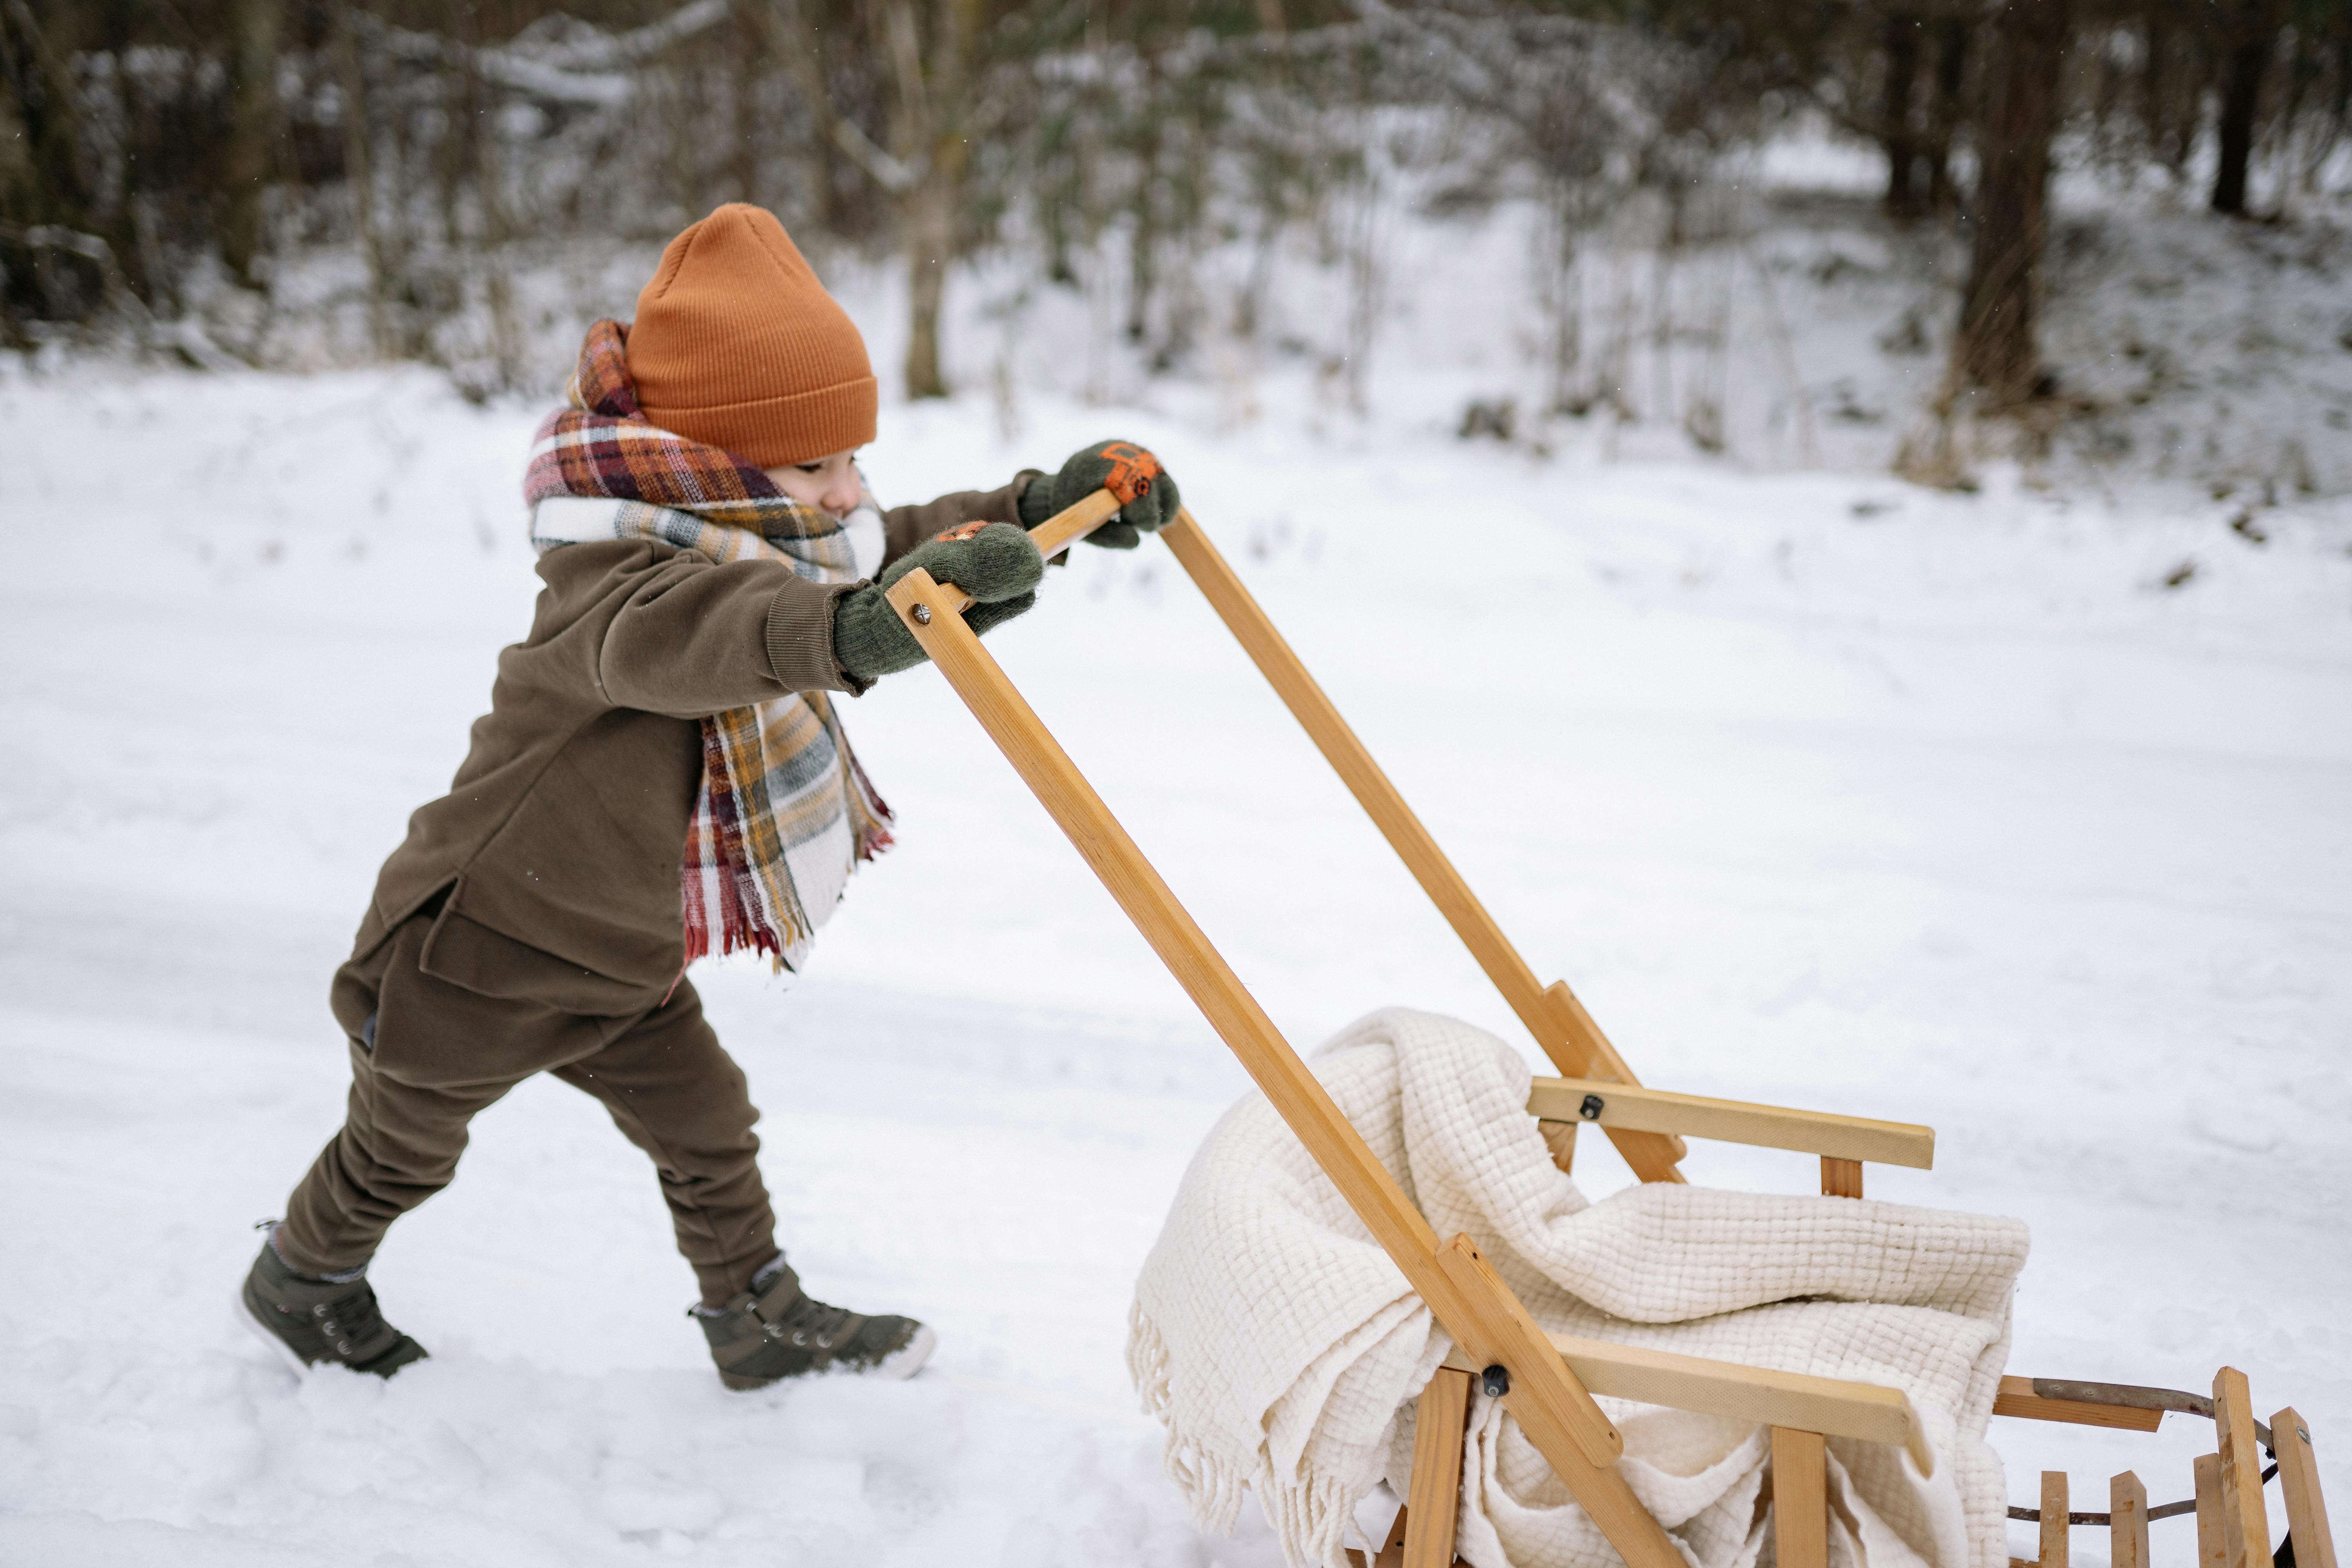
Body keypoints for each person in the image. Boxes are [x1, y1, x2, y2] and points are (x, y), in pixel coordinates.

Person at [237, 203, 1181, 1390]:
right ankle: (305, 1279)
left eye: (852, 460)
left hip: (623, 958)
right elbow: (704, 637)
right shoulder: (613, 576)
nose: (845, 494)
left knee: (709, 1127)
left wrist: (1045, 510)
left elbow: (891, 546)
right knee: (400, 1153)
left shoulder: (777, 533)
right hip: (476, 950)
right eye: (816, 467)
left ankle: (753, 1314)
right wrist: (852, 630)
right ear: (720, 466)